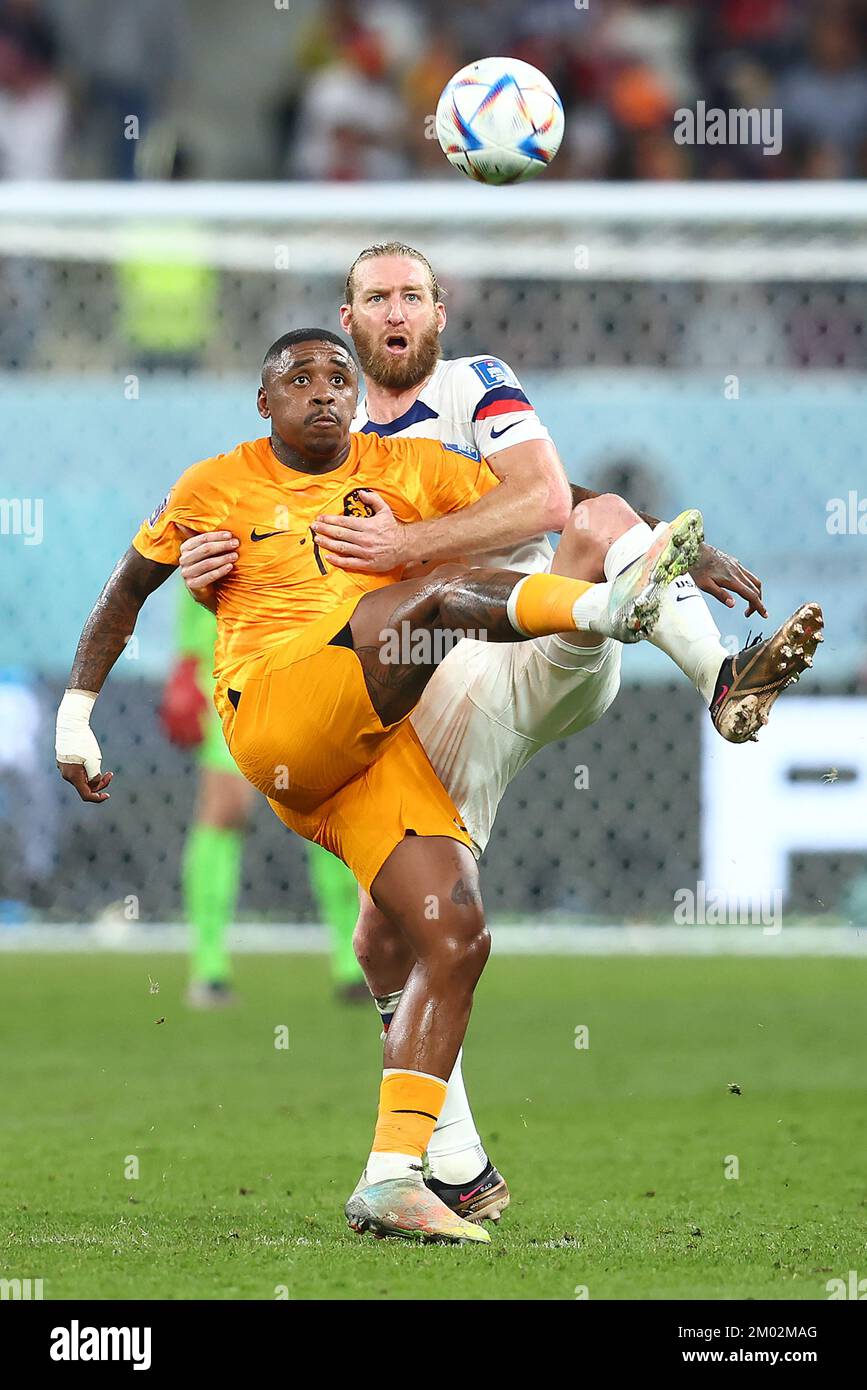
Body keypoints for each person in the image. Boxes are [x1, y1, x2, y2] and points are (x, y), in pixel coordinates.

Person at [177, 244, 824, 1229]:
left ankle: (723, 681)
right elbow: (248, 536)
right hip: (424, 696)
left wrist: (411, 548)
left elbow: (544, 501)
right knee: (401, 933)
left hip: (532, 642)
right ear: (346, 320)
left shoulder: (479, 387)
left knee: (601, 514)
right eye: (375, 298)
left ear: (440, 312)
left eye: (412, 295)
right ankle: (455, 1161)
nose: (395, 311)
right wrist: (205, 567)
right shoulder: (322, 430)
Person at [56, 327, 730, 1244]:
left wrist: (657, 545)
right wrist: (76, 713)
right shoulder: (214, 484)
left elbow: (543, 500)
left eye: (339, 376)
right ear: (264, 403)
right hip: (281, 707)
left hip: (369, 748)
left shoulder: (405, 464)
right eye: (299, 378)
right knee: (434, 594)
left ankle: (393, 1175)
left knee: (454, 935)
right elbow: (127, 587)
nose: (324, 391)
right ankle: (613, 614)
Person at [159, 586, 366, 1007]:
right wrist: (186, 662)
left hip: (309, 658)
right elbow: (194, 562)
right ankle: (209, 966)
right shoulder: (214, 518)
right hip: (230, 664)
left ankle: (353, 963)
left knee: (325, 804)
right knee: (225, 808)